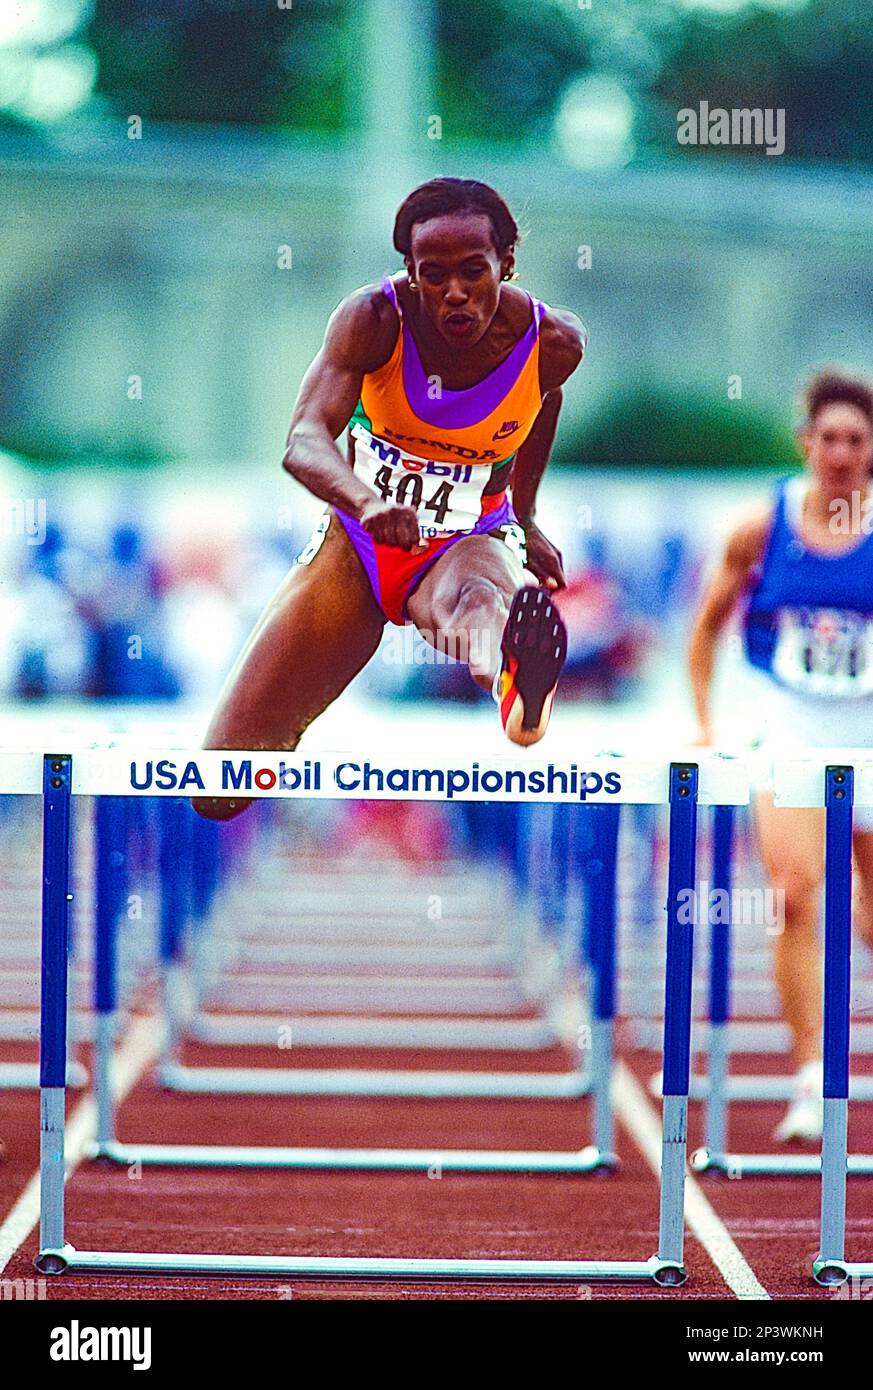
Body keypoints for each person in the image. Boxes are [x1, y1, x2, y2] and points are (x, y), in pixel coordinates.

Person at [195, 177, 587, 822]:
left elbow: (542, 404)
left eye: (472, 272)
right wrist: (364, 501)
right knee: (220, 785)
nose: (454, 294)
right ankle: (506, 664)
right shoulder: (372, 320)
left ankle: (515, 682)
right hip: (357, 544)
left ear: (506, 264)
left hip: (466, 538)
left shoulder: (554, 343)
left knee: (480, 602)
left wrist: (527, 514)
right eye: (433, 276)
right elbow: (303, 438)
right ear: (409, 271)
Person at [689, 369, 873, 1141]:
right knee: (794, 896)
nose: (838, 452)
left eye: (854, 440)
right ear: (805, 443)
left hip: (867, 729)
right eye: (826, 437)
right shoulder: (758, 526)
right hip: (789, 726)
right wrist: (704, 726)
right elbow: (703, 631)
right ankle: (810, 1077)